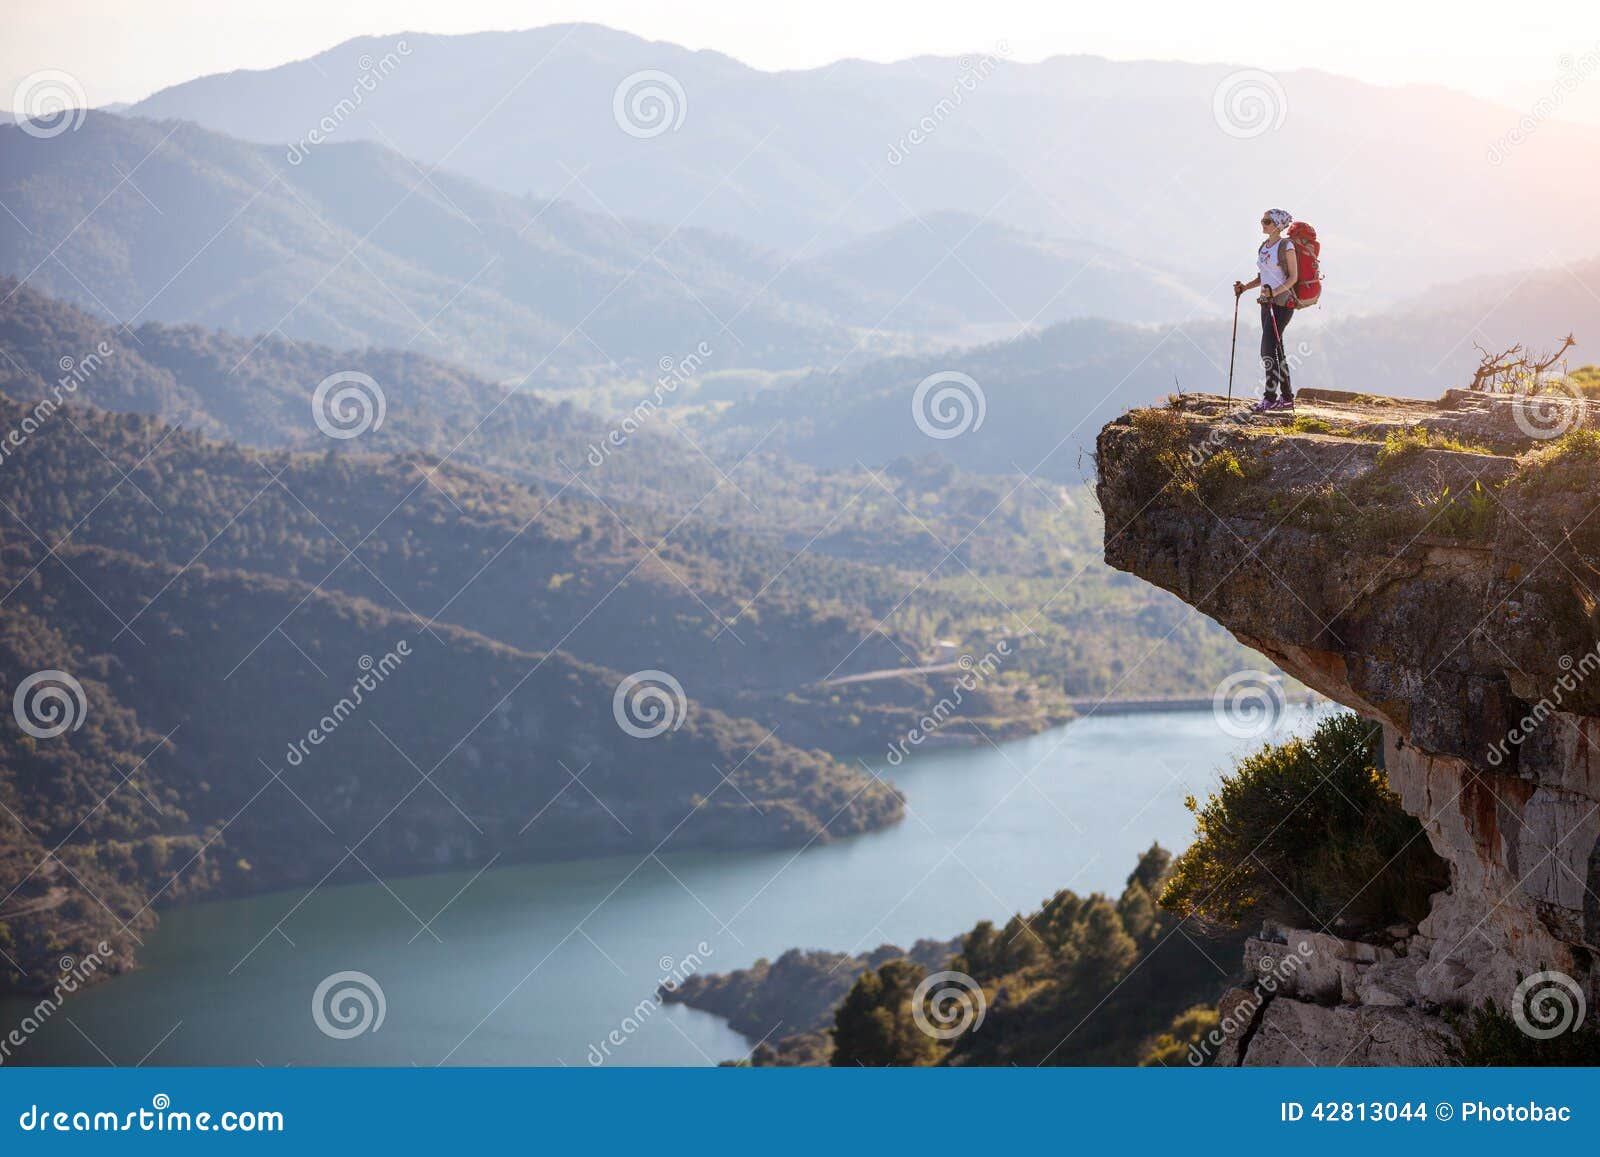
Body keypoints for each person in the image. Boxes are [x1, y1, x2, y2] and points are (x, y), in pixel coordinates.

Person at [1233, 209, 1299, 411]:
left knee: (1267, 350)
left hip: (1282, 304)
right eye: (1262, 220)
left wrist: (1275, 292)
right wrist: (1244, 287)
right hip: (1266, 303)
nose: (1263, 224)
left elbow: (1293, 277)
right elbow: (1264, 276)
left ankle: (1270, 398)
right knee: (1277, 350)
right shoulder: (1264, 247)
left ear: (1278, 225)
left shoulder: (1286, 245)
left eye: (1267, 221)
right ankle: (1286, 398)